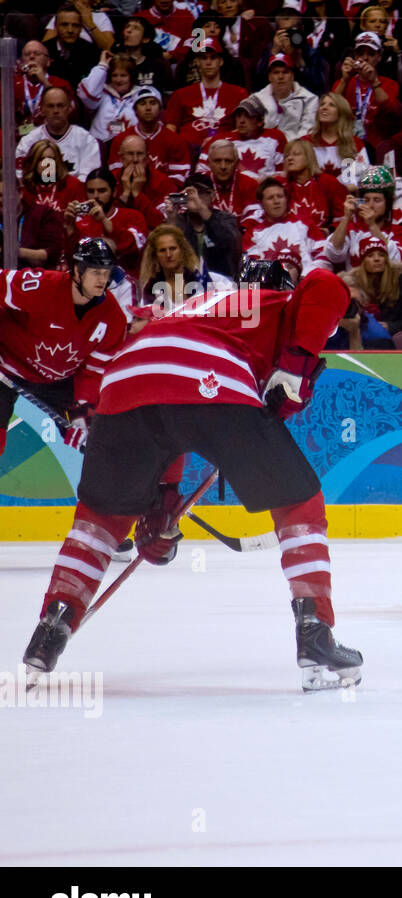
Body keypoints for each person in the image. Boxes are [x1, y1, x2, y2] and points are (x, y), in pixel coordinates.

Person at [22, 260, 364, 693]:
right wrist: (296, 364)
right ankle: (316, 631)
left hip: (124, 382)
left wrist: (162, 504)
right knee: (299, 500)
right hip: (208, 375)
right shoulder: (278, 300)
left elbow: (169, 418)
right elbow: (327, 283)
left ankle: (51, 628)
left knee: (99, 521)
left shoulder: (198, 306)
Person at [0, 239, 129, 459]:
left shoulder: (113, 319)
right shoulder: (42, 286)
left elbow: (93, 371)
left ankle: (142, 490)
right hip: (8, 368)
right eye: (96, 272)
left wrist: (82, 407)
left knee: (95, 441)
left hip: (60, 382)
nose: (103, 279)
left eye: (106, 272)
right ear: (77, 271)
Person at [334, 234, 402, 347]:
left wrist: (390, 326)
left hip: (396, 335)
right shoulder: (353, 284)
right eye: (370, 255)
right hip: (360, 330)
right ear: (363, 260)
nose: (377, 259)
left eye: (381, 255)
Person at [162, 37, 248, 151]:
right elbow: (170, 130)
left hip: (224, 151)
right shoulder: (180, 94)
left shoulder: (239, 94)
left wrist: (218, 140)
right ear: (197, 62)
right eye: (203, 58)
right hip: (188, 151)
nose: (208, 62)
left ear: (221, 61)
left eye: (213, 58)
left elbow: (245, 128)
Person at [65, 167, 149, 281]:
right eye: (91, 191)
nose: (96, 196)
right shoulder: (81, 224)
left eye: (102, 191)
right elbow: (73, 262)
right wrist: (70, 228)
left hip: (129, 285)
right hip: (91, 287)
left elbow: (134, 246)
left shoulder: (133, 216)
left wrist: (104, 221)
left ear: (114, 192)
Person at [324, 167, 402, 270]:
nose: (370, 205)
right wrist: (346, 218)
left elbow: (397, 261)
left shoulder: (401, 233)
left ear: (388, 204)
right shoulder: (351, 229)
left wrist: (373, 226)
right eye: (366, 200)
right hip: (354, 284)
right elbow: (333, 254)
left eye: (377, 200)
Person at [107, 87, 190, 189]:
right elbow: (114, 174)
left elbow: (179, 177)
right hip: (127, 190)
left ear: (160, 109)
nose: (148, 108)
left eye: (153, 103)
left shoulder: (175, 140)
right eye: (142, 104)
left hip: (163, 195)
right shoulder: (121, 139)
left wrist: (160, 189)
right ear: (135, 110)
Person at [165, 172, 242, 280]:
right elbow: (169, 254)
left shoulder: (225, 219)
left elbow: (229, 242)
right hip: (185, 283)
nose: (195, 198)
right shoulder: (178, 221)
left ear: (212, 196)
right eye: (190, 194)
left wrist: (201, 208)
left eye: (200, 193)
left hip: (221, 282)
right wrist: (172, 219)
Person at [332, 31, 402, 150]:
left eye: (371, 53)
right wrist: (344, 79)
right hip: (347, 148)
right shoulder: (343, 82)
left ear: (379, 56)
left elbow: (393, 113)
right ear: (355, 56)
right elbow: (331, 108)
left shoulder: (390, 84)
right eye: (360, 53)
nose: (365, 57)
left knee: (375, 169)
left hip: (377, 150)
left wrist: (374, 82)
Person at [16, 86, 101, 180]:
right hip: (39, 193)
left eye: (60, 106)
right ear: (42, 110)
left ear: (69, 108)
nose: (56, 111)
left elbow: (89, 177)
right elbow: (20, 176)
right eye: (51, 106)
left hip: (74, 192)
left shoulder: (86, 139)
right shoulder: (29, 141)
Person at [197, 97, 287, 181]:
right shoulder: (220, 140)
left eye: (247, 116)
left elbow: (284, 173)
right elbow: (200, 173)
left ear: (260, 121)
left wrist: (260, 183)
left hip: (266, 191)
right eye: (238, 116)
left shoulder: (276, 137)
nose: (241, 121)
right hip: (230, 191)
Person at [252, 52, 319, 143]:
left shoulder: (309, 99)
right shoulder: (256, 100)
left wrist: (285, 146)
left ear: (292, 76)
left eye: (285, 72)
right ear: (269, 77)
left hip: (297, 148)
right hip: (264, 148)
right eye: (276, 72)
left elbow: (307, 132)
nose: (280, 76)